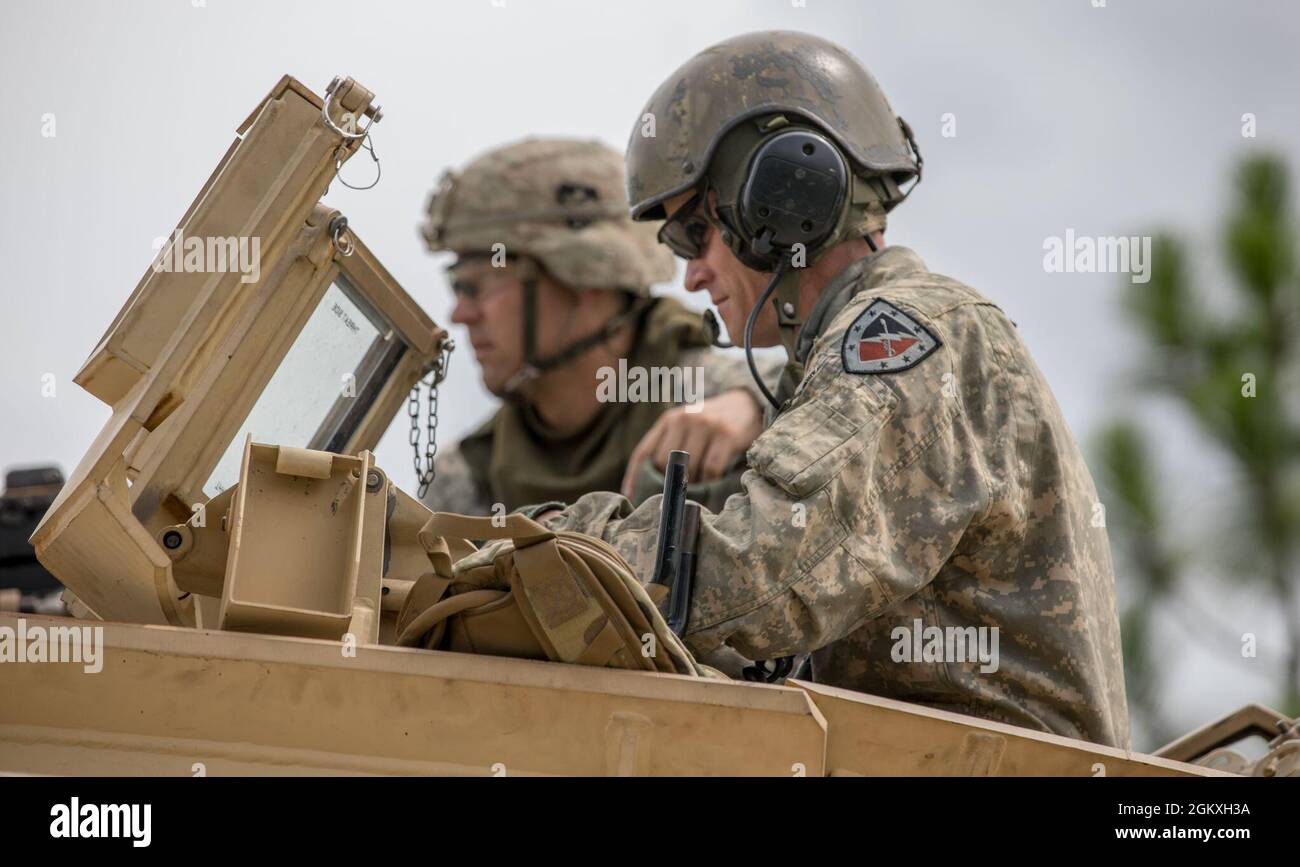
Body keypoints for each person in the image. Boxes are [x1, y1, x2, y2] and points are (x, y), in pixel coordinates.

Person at [465, 32, 1130, 747]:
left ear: (784, 201)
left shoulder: (914, 337)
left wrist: (531, 549)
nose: (688, 275)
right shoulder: (839, 358)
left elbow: (759, 569)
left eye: (694, 234)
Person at [419, 137, 777, 518]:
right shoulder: (463, 483)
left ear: (584, 276)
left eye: (475, 287)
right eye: (457, 287)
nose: (459, 314)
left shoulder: (736, 404)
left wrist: (759, 408)